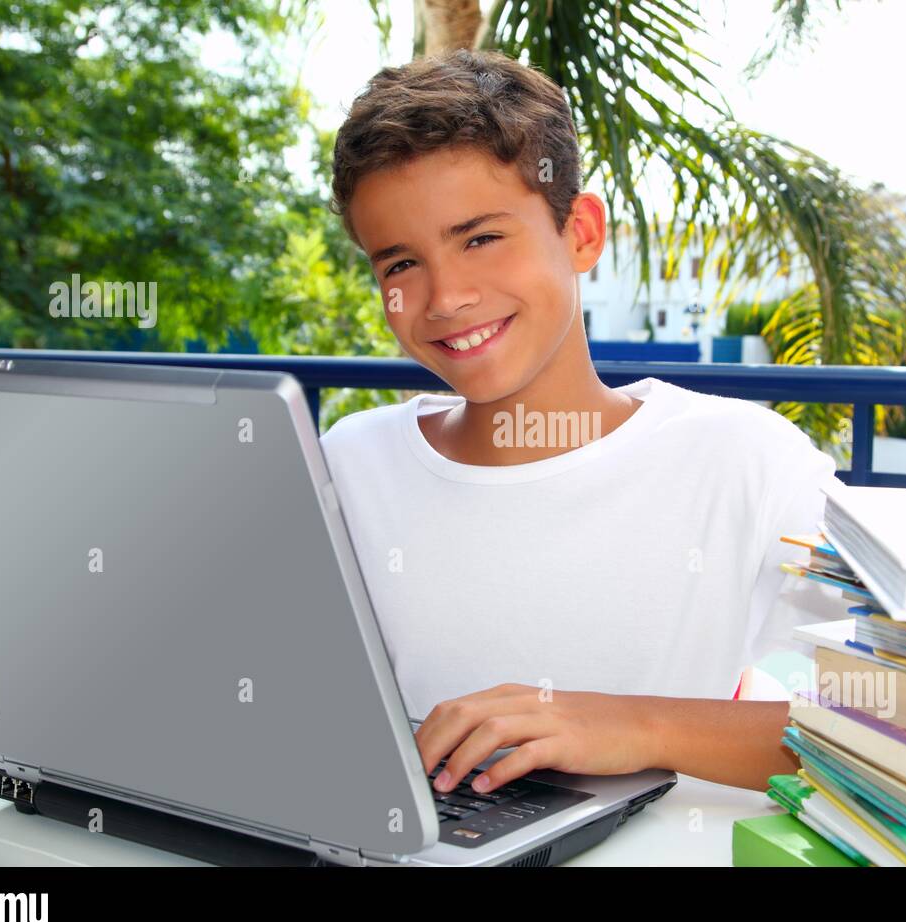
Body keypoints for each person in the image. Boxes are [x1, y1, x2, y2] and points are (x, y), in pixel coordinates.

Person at [320, 48, 845, 798]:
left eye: (480, 238)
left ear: (581, 233)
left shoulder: (745, 461)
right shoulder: (351, 461)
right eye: (399, 264)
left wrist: (638, 727)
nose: (445, 298)